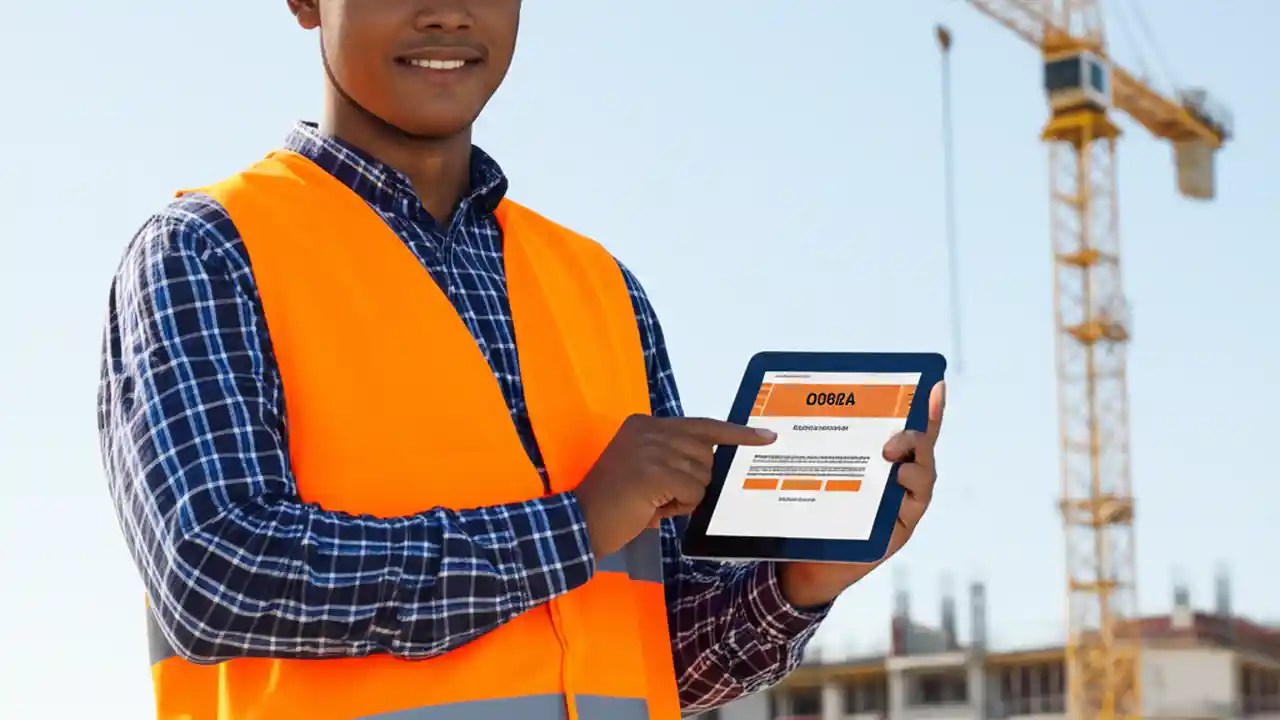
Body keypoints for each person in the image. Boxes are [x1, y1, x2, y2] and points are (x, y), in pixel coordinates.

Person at [97, 2, 946, 719]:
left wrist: (798, 581)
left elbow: (655, 654)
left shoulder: (603, 288)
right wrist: (574, 526)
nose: (448, 11)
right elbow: (216, 574)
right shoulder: (209, 253)